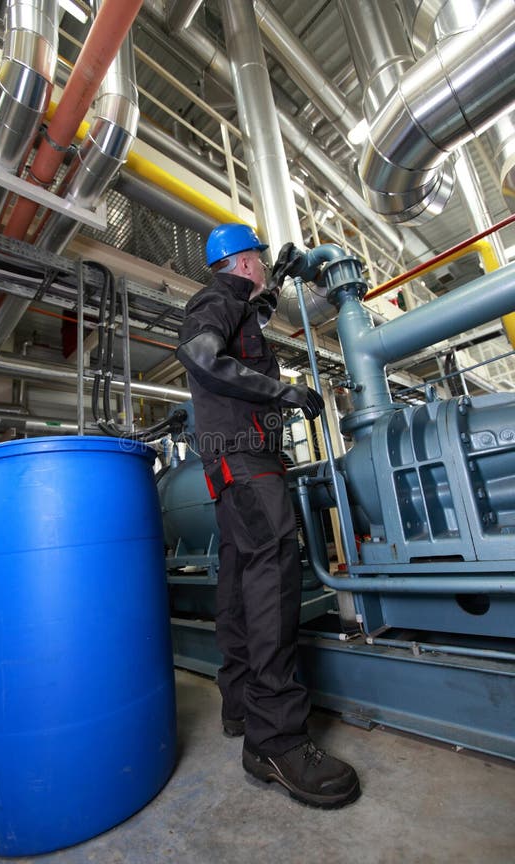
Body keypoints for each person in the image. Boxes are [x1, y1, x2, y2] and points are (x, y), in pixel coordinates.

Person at [176, 223, 360, 808]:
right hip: (248, 461)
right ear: (243, 262)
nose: (260, 268)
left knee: (237, 585)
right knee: (272, 580)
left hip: (233, 466)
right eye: (258, 260)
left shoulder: (239, 303)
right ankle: (277, 740)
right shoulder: (215, 301)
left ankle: (240, 709)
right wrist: (285, 394)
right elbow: (201, 355)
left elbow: (251, 312)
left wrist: (278, 276)